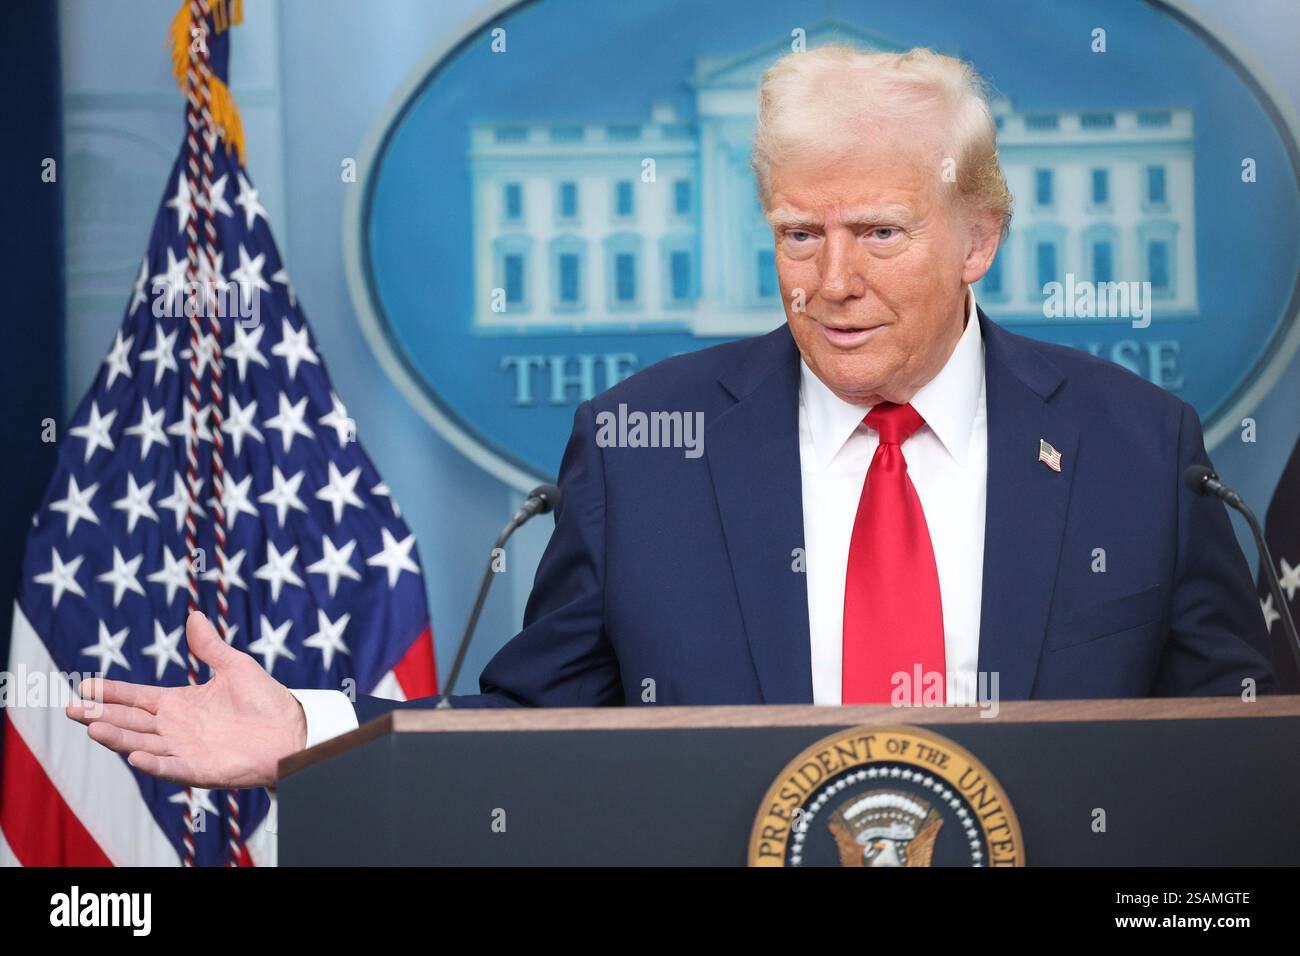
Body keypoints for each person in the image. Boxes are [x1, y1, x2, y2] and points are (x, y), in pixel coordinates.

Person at [67, 45, 1275, 791]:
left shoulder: (1138, 445)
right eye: (799, 233)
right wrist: (310, 729)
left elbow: (1242, 758)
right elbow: (536, 731)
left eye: (878, 233)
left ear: (979, 239)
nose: (830, 279)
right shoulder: (645, 448)